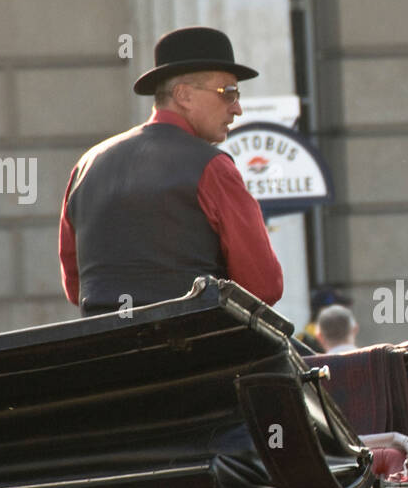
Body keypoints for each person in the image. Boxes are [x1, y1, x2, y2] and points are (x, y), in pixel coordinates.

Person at [58, 26, 284, 315]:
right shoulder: (213, 167)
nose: (237, 108)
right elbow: (264, 286)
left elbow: (76, 287)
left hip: (107, 348)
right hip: (198, 347)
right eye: (228, 93)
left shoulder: (87, 165)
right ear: (183, 95)